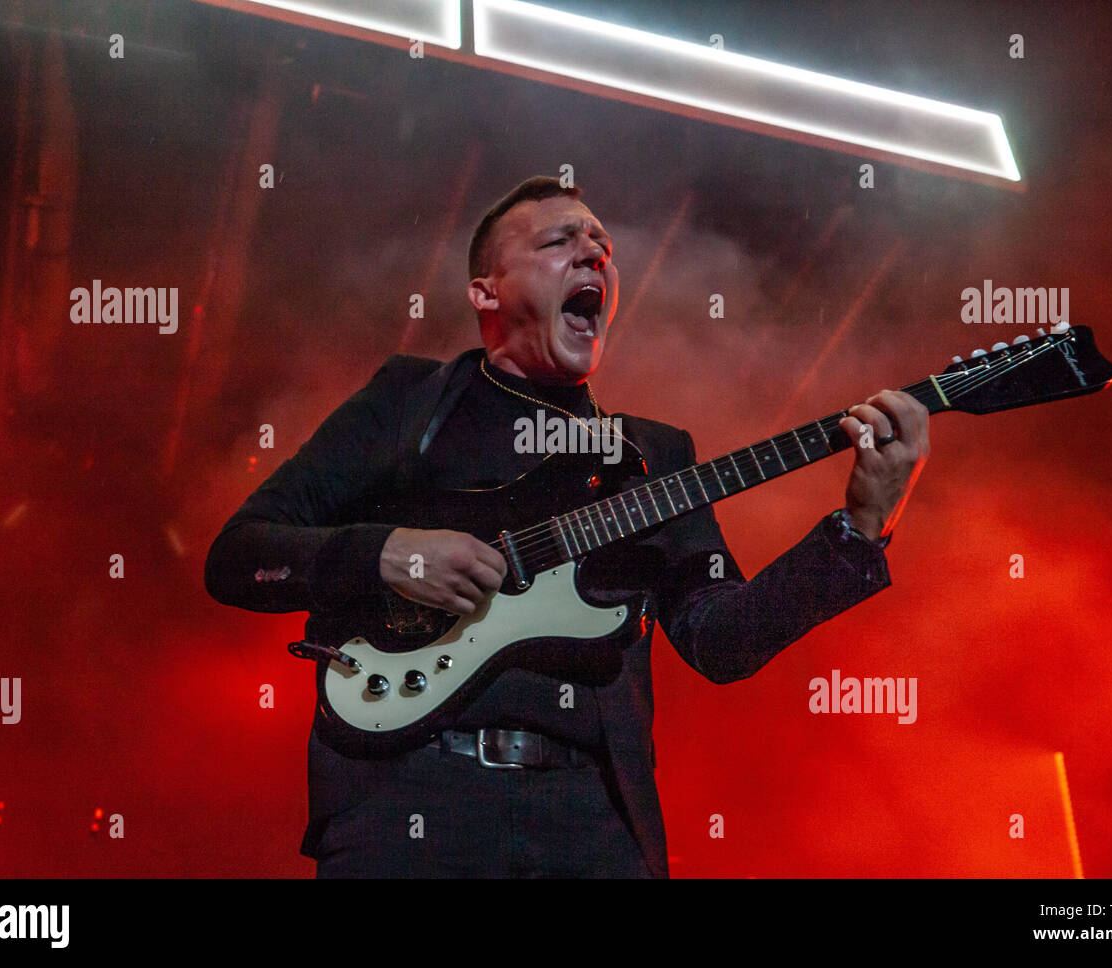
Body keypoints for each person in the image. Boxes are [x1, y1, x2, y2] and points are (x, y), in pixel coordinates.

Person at [203, 176, 930, 877]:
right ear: (486, 291)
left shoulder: (650, 458)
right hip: (409, 806)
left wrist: (860, 529)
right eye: (559, 242)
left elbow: (723, 642)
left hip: (595, 825)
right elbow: (238, 556)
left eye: (602, 247)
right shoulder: (407, 404)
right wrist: (388, 554)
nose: (594, 255)